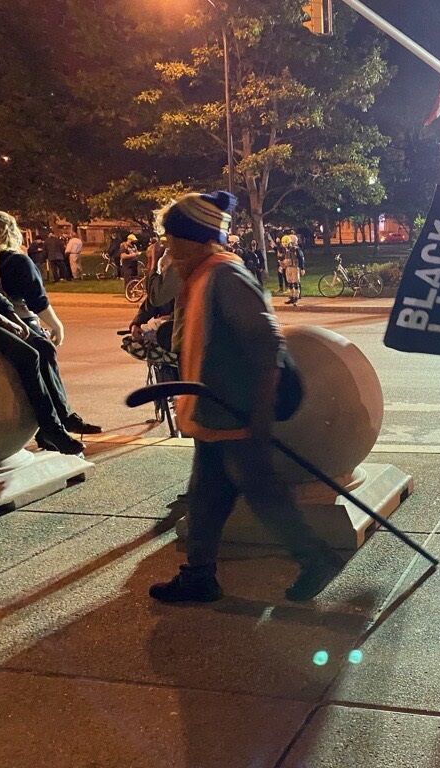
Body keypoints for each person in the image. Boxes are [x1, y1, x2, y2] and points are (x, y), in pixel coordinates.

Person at [147, 190, 342, 604]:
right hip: (215, 412)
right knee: (206, 495)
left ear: (195, 238)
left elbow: (267, 344)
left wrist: (258, 414)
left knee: (263, 495)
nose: (168, 246)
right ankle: (199, 575)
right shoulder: (200, 275)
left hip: (237, 412)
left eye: (172, 238)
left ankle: (316, 558)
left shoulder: (225, 275)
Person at [0, 179, 84, 454]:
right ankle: (51, 428)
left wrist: (12, 315)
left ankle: (62, 416)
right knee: (27, 354)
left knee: (41, 344)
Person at [0, 210, 101, 438]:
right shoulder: (16, 260)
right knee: (45, 353)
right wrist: (57, 326)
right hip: (19, 320)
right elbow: (37, 300)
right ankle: (62, 418)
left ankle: (54, 425)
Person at [281, 234, 304, 306]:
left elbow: (301, 258)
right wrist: (282, 265)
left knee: (296, 283)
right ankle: (292, 297)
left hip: (294, 267)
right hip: (288, 268)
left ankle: (296, 298)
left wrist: (302, 268)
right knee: (290, 283)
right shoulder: (286, 250)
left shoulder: (296, 249)